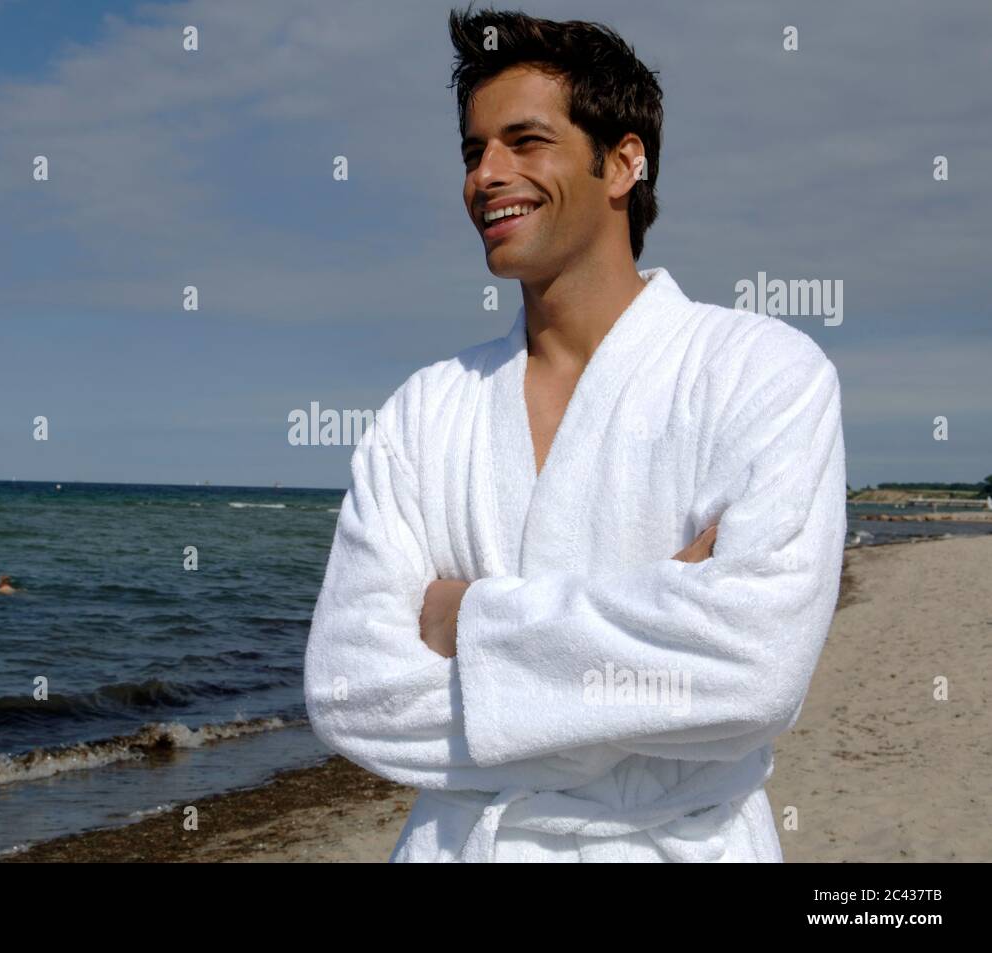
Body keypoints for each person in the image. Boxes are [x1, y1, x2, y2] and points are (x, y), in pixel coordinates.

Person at [303, 8, 846, 862]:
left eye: (525, 141)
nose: (488, 175)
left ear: (625, 160)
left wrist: (467, 618)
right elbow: (349, 691)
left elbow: (757, 669)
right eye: (472, 151)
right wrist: (662, 622)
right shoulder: (422, 410)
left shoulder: (764, 371)